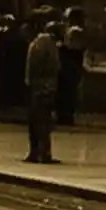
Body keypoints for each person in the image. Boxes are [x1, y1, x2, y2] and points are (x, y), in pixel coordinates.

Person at [24, 9, 62, 164]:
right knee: (43, 122)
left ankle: (34, 152)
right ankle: (44, 153)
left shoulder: (36, 42)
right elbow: (52, 66)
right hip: (44, 86)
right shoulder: (47, 43)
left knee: (35, 121)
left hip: (36, 86)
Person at [57, 6, 87, 125]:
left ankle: (66, 116)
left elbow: (73, 47)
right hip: (71, 63)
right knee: (67, 91)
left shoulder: (75, 31)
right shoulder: (72, 30)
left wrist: (61, 47)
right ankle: (65, 115)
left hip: (70, 63)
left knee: (68, 91)